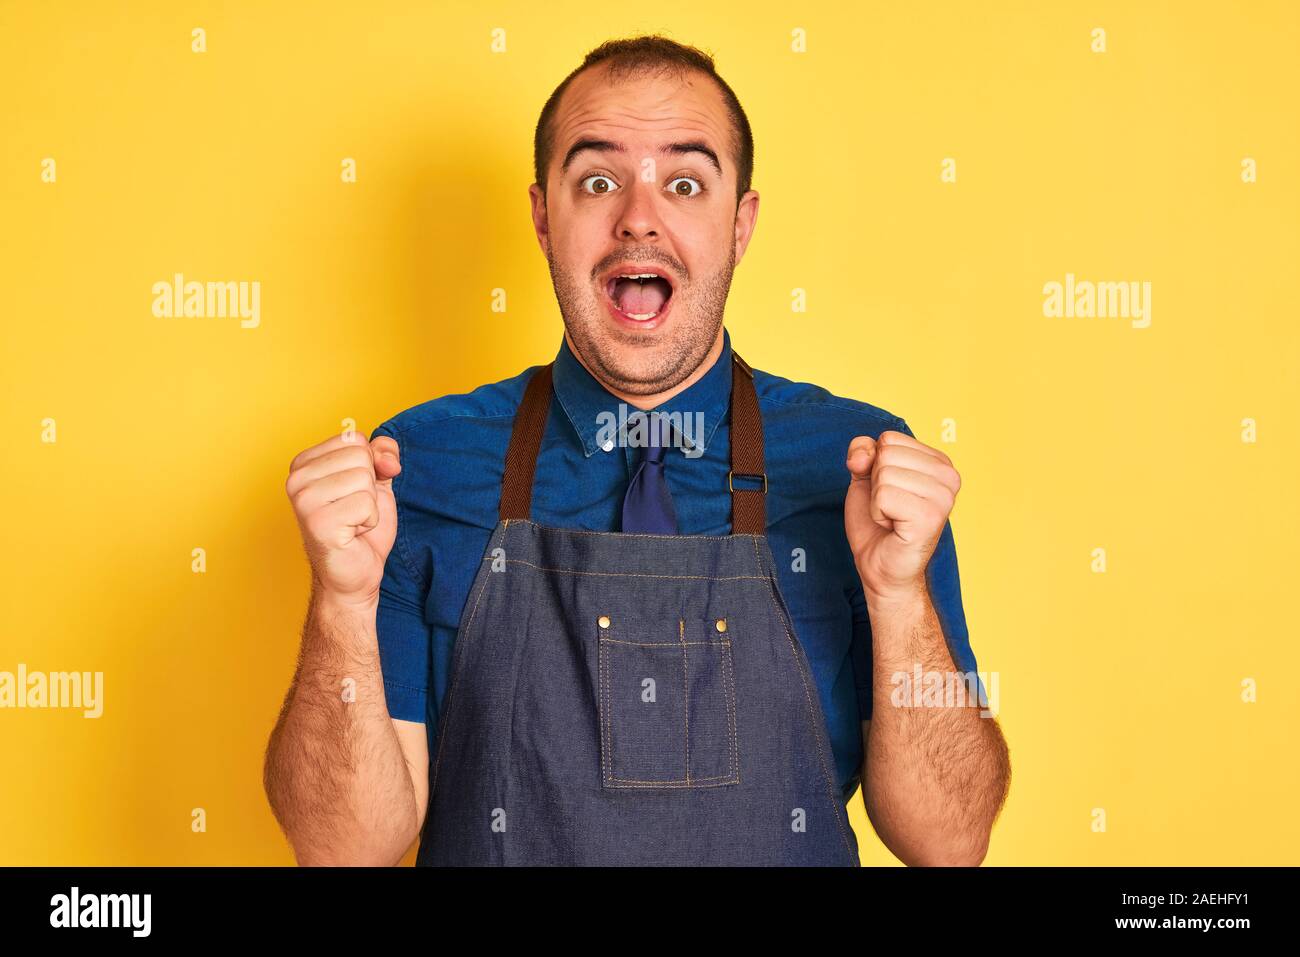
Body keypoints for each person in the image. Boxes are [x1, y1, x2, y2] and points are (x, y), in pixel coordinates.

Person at [265, 34, 1010, 866]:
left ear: (741, 224)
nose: (639, 217)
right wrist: (341, 600)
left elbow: (951, 841)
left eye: (685, 182)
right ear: (544, 217)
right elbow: (343, 849)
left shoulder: (858, 467)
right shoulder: (419, 467)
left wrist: (900, 594)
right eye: (597, 180)